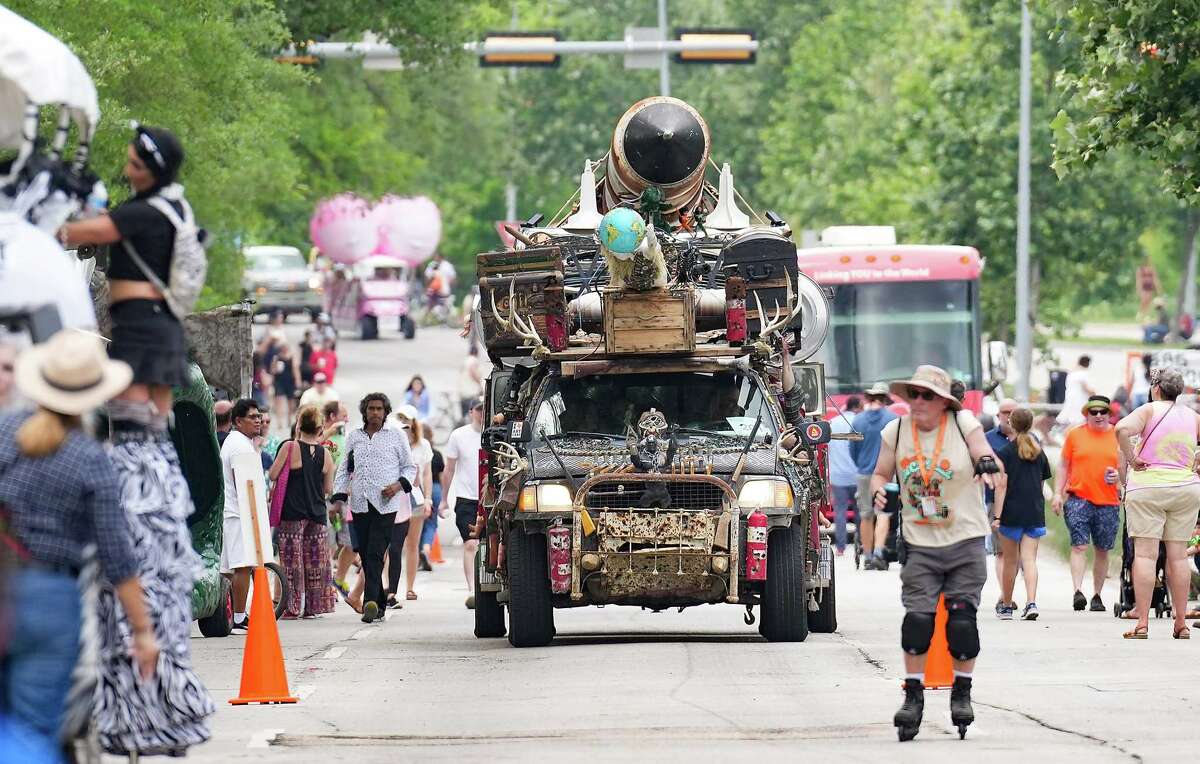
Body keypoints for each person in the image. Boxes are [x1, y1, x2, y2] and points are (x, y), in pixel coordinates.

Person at [0, 331, 162, 753]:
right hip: (50, 598)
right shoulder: (91, 460)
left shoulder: (4, 432)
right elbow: (117, 557)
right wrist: (142, 632)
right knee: (35, 730)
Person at [871, 366, 1002, 741]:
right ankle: (913, 698)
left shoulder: (963, 423)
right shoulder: (895, 431)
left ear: (944, 402)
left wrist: (987, 463)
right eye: (914, 394)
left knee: (961, 624)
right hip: (919, 541)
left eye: (927, 396)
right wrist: (879, 490)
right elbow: (880, 473)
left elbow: (983, 452)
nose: (919, 402)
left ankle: (962, 693)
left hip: (964, 540)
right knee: (917, 622)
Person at [59, 125, 190, 422]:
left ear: (154, 171)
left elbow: (81, 232)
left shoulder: (143, 212)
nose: (126, 170)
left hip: (142, 327)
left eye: (135, 164)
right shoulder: (170, 206)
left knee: (132, 428)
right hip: (157, 325)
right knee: (152, 430)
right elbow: (111, 221)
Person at [1115, 367, 1200, 639]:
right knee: (1177, 556)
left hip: (1148, 485)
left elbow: (1121, 429)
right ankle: (1180, 622)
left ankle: (1141, 622)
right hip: (1185, 488)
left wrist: (1131, 459)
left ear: (1156, 388)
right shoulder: (1193, 416)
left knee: (1145, 554)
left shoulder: (1148, 410)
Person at [331, 393, 417, 624]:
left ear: (385, 411)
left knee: (376, 552)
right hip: (359, 503)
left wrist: (397, 486)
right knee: (364, 552)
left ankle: (369, 602)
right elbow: (344, 469)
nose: (375, 413)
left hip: (386, 505)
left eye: (379, 409)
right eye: (371, 409)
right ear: (365, 411)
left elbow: (410, 468)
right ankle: (378, 604)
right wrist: (337, 497)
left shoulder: (396, 435)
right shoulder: (354, 437)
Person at [1053, 394, 1121, 613]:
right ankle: (1078, 591)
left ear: (1109, 414)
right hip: (1078, 498)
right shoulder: (1075, 435)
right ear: (1086, 414)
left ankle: (1098, 595)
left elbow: (1128, 467)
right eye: (1094, 411)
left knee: (1102, 549)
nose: (1099, 415)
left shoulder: (1119, 436)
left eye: (1103, 411)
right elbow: (1063, 465)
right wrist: (1057, 493)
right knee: (1079, 545)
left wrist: (1118, 478)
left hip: (1108, 500)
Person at [268, 405, 337, 619]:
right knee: (315, 562)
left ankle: (292, 606)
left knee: (291, 562)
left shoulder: (290, 447)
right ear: (319, 429)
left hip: (292, 512)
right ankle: (314, 607)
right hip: (316, 513)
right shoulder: (326, 454)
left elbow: (272, 474)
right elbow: (328, 489)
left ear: (299, 425)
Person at [992, 408, 1051, 621]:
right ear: (1031, 424)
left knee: (1010, 561)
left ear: (1011, 423)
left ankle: (1006, 606)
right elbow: (1042, 484)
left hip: (1011, 512)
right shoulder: (1039, 452)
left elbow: (1001, 487)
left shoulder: (1005, 452)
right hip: (1034, 511)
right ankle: (1031, 602)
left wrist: (997, 517)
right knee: (1029, 560)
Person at [220, 399, 263, 630]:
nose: (258, 420)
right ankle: (238, 617)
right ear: (238, 421)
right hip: (238, 512)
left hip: (235, 511)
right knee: (242, 566)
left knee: (233, 568)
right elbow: (241, 482)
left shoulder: (240, 441)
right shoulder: (238, 444)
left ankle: (229, 615)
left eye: (259, 416)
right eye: (252, 417)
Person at [441, 398, 484, 608]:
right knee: (470, 544)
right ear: (471, 412)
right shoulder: (459, 435)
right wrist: (443, 500)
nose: (482, 413)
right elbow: (449, 469)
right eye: (478, 409)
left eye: (485, 409)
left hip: (489, 498)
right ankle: (472, 589)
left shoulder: (495, 434)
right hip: (467, 499)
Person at [850, 383, 898, 569]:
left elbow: (853, 451)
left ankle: (867, 555)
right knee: (884, 514)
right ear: (886, 399)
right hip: (886, 476)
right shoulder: (893, 420)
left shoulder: (858, 421)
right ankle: (879, 552)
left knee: (866, 515)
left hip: (863, 474)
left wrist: (863, 465)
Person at [393, 405, 434, 603]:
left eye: (406, 419)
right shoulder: (392, 440)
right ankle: (388, 586)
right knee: (391, 544)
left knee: (412, 543)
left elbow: (427, 473)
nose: (403, 422)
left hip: (415, 497)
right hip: (394, 497)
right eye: (399, 417)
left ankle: (409, 587)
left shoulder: (423, 445)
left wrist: (428, 498)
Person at [985, 398, 1017, 612]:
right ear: (998, 416)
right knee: (1001, 552)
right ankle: (1004, 594)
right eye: (1005, 412)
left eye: (1013, 412)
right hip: (995, 500)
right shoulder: (987, 439)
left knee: (1017, 554)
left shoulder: (1029, 440)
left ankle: (1008, 593)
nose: (1008, 416)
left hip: (1021, 500)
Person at [828, 396, 863, 555]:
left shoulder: (833, 423)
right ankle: (862, 544)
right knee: (860, 511)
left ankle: (841, 548)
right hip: (857, 476)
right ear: (857, 407)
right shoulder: (860, 422)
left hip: (838, 477)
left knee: (840, 512)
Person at [420, 446, 447, 570]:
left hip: (418, 488)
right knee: (431, 524)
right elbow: (442, 476)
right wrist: (444, 497)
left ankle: (418, 556)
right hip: (435, 488)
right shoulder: (436, 454)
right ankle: (425, 549)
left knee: (417, 525)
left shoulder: (414, 450)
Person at [1056, 355, 1095, 429]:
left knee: (1069, 419)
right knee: (1078, 421)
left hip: (1070, 399)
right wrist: (1094, 394)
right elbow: (1087, 388)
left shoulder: (1071, 373)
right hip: (1080, 401)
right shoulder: (1083, 374)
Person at [271, 342, 300, 435]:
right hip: (279, 381)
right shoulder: (277, 358)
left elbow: (295, 369)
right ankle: (279, 421)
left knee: (291, 402)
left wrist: (297, 380)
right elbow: (272, 370)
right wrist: (275, 367)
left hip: (289, 381)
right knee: (279, 401)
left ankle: (289, 419)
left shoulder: (292, 357)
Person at [458, 346, 484, 418]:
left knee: (464, 416)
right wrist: (480, 384)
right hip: (471, 393)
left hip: (463, 393)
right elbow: (472, 371)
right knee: (472, 416)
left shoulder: (465, 360)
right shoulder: (473, 360)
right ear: (477, 353)